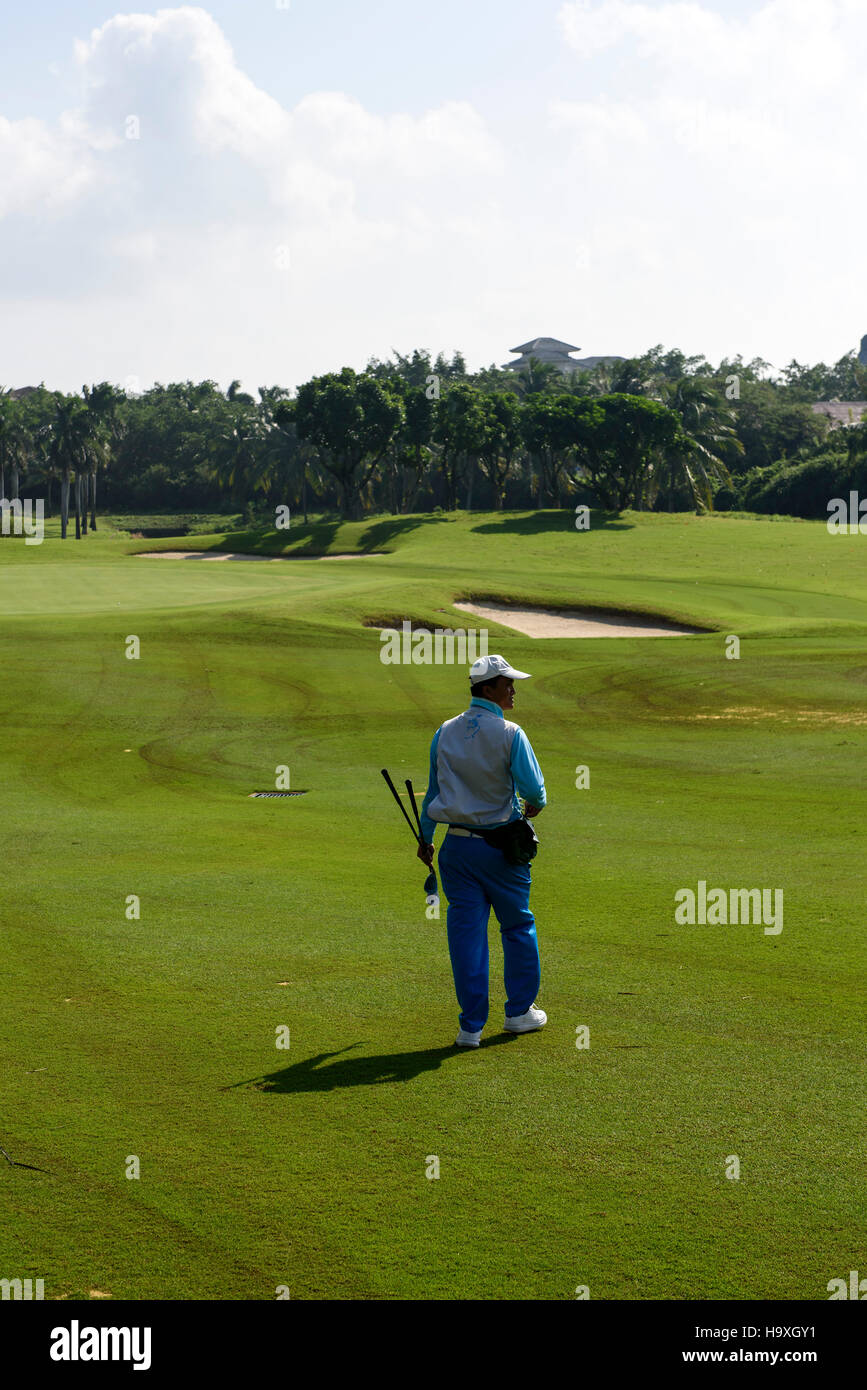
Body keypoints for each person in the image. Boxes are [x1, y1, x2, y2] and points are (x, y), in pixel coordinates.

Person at [418, 653, 547, 1048]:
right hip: (500, 849)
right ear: (487, 688)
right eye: (507, 683)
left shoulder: (444, 731)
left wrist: (426, 840)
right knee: (517, 927)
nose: (513, 689)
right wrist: (534, 805)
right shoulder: (510, 732)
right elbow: (535, 791)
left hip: (455, 847)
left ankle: (470, 1028)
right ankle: (519, 1013)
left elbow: (434, 793)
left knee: (466, 936)